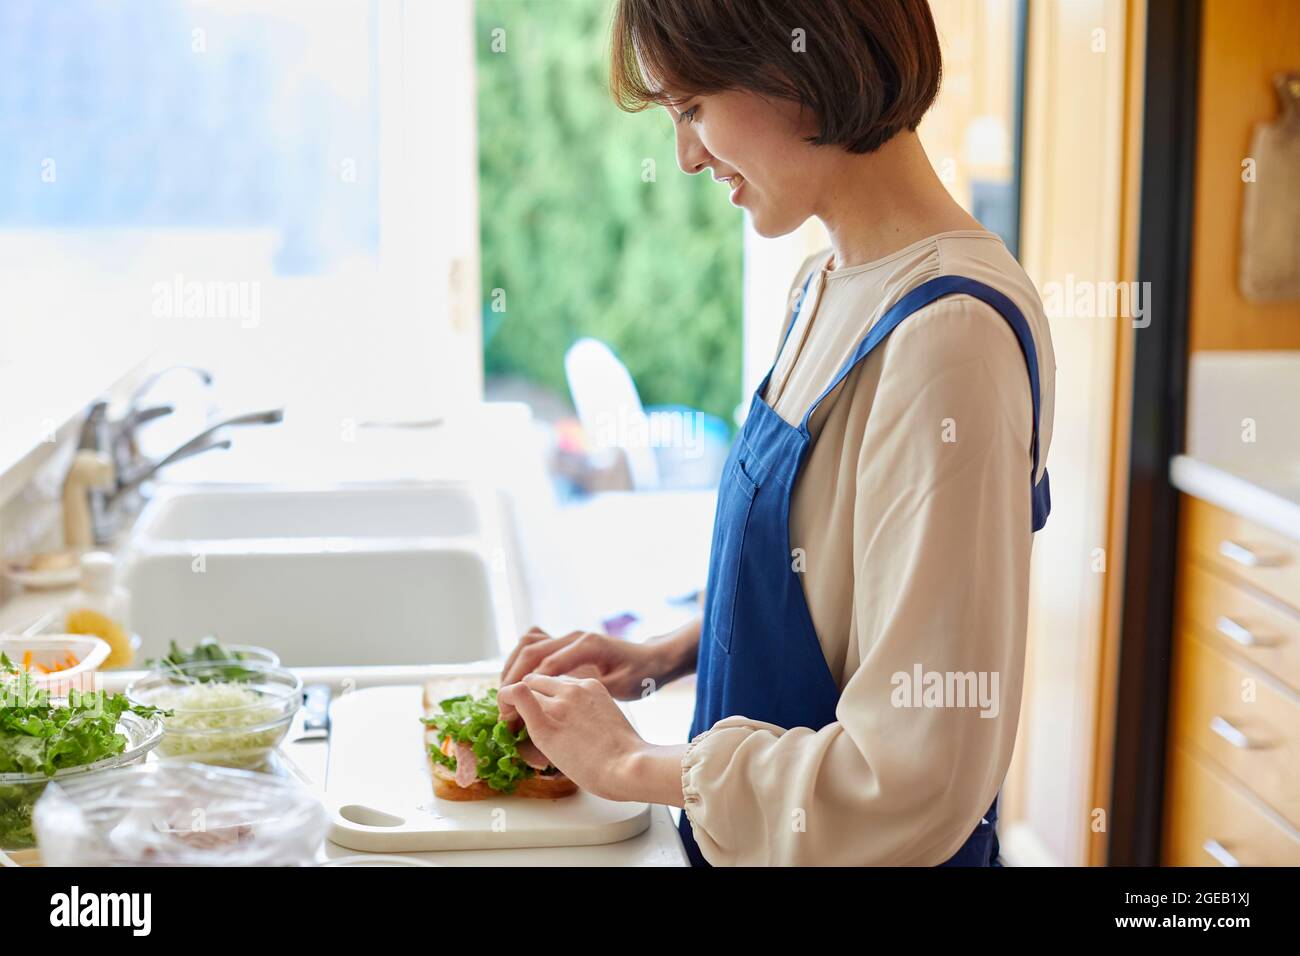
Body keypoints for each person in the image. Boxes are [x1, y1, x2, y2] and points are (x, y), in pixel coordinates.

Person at [497, 0, 1055, 867]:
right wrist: (664, 656)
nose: (685, 155)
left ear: (794, 65)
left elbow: (913, 775)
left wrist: (633, 763)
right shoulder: (823, 286)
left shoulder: (948, 341)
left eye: (691, 108)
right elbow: (831, 593)